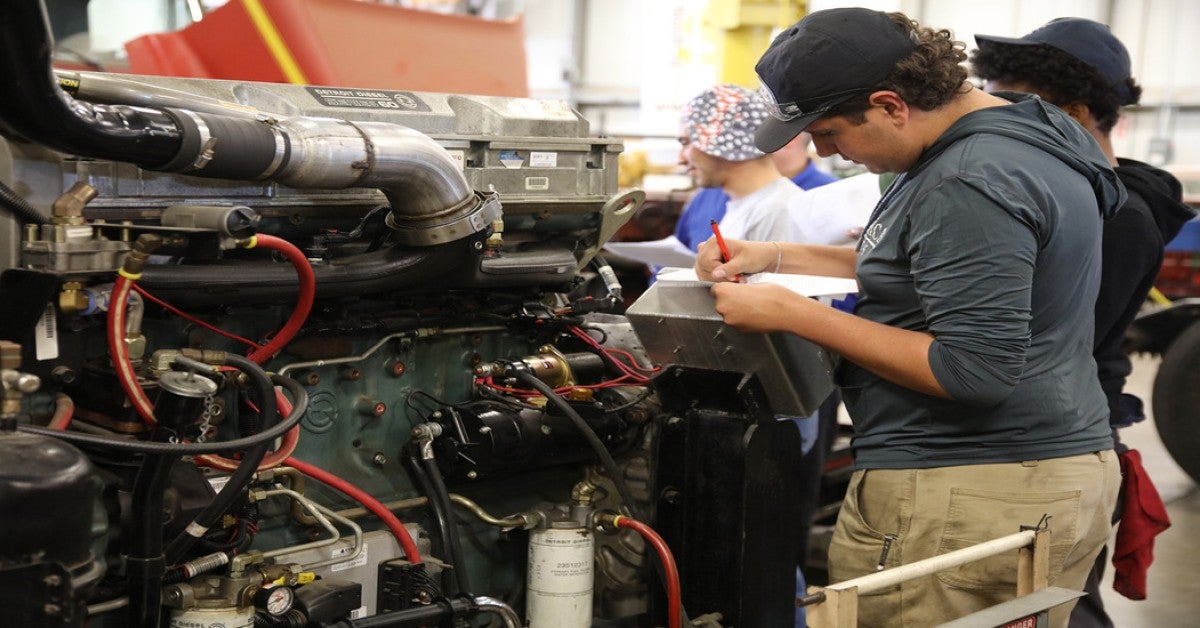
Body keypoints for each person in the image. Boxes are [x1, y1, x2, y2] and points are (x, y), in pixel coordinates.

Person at [695, 8, 1125, 627]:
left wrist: (790, 312)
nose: (825, 152)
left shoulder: (968, 179)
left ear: (892, 104)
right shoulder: (1016, 134)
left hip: (968, 488)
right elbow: (927, 263)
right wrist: (777, 255)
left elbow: (972, 371)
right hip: (1042, 467)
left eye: (831, 131)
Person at [972, 18, 1194, 627]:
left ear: (1073, 112)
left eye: (1011, 102)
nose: (991, 119)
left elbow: (1036, 342)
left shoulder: (1117, 217)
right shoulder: (1064, 196)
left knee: (1054, 607)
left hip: (1054, 444)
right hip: (1025, 438)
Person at [673, 84, 829, 252]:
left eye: (686, 142)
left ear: (722, 140)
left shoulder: (777, 213)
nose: (680, 159)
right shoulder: (751, 206)